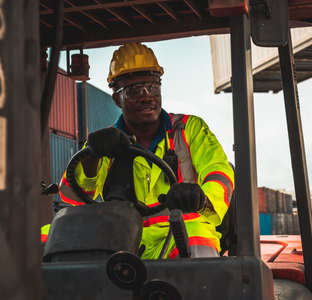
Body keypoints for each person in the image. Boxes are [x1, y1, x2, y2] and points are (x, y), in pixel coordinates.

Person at [41, 43, 234, 259]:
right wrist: (91, 160)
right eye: (134, 90)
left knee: (198, 237)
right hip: (119, 237)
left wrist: (200, 197)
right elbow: (72, 200)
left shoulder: (190, 130)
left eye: (152, 87)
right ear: (117, 99)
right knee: (43, 238)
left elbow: (219, 173)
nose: (146, 96)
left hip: (178, 233)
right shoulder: (103, 145)